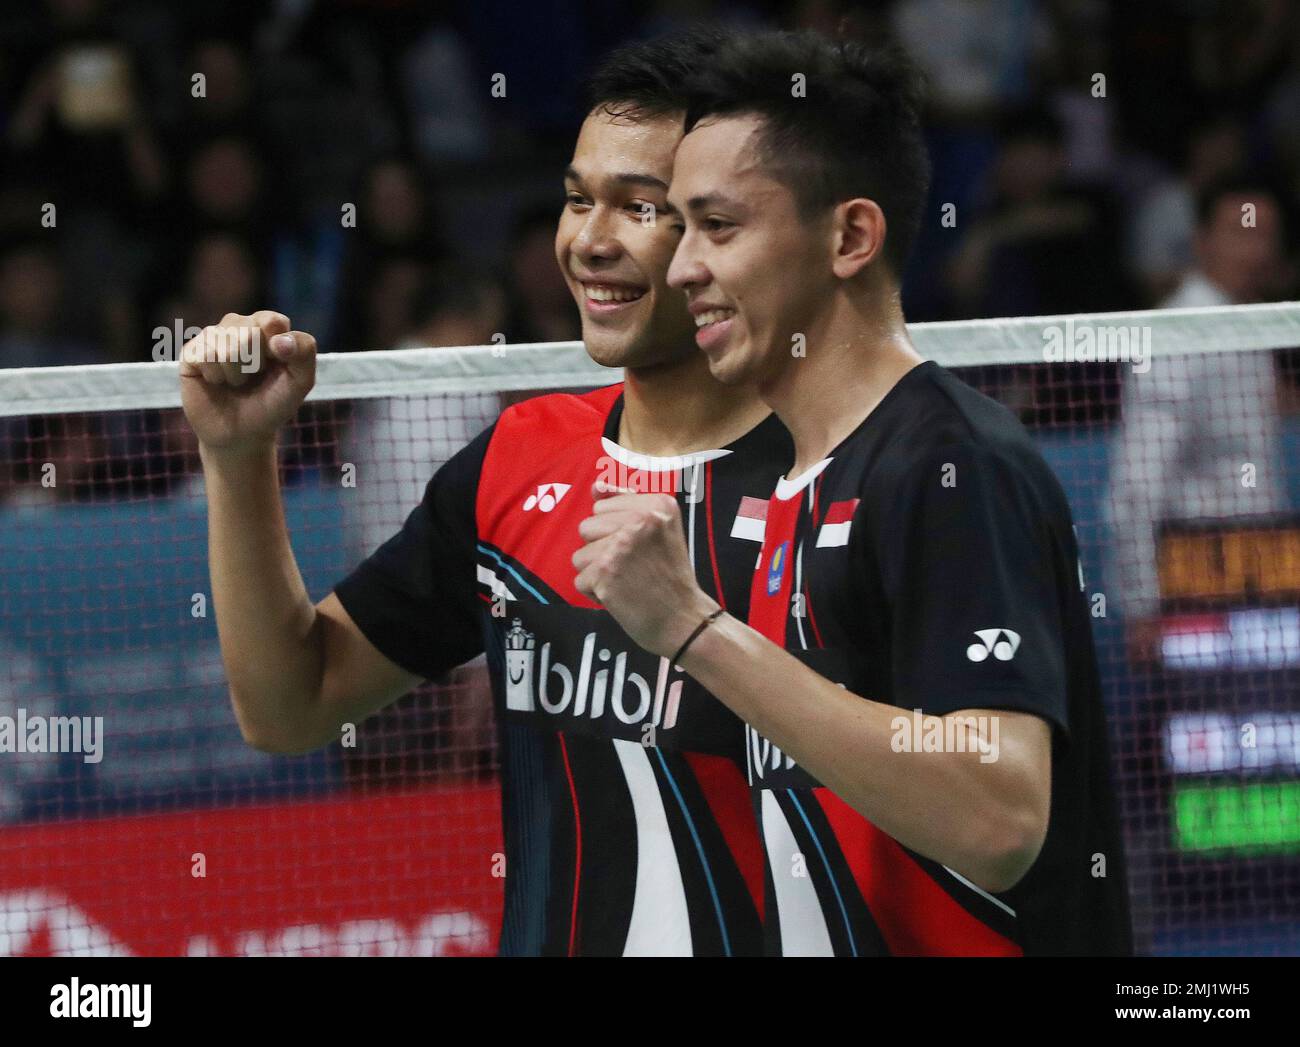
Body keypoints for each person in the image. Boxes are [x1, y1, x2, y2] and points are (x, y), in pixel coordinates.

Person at [180, 28, 792, 956]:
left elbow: (985, 817)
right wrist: (236, 457)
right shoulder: (517, 461)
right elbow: (289, 704)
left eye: (639, 207)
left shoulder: (844, 473)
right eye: (577, 200)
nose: (588, 242)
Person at [575, 29, 1132, 955]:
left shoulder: (951, 467)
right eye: (678, 227)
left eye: (718, 226)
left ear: (850, 236)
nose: (679, 268)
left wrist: (694, 631)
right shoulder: (792, 478)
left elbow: (1000, 815)